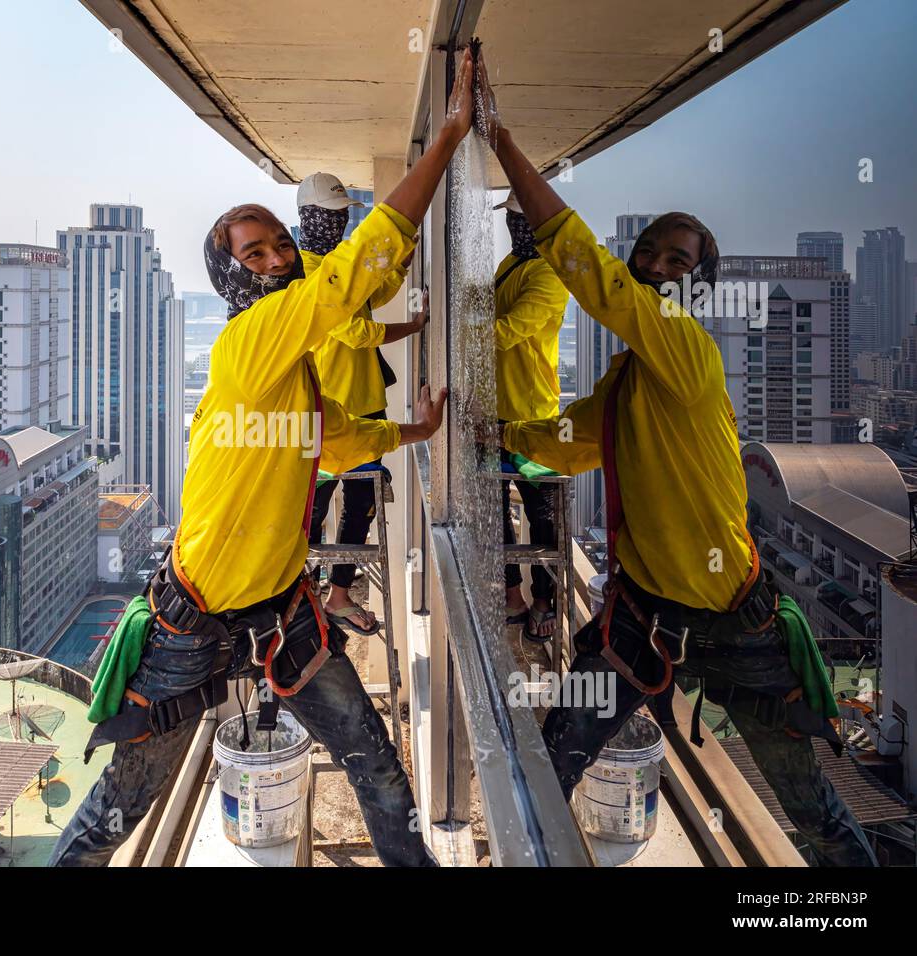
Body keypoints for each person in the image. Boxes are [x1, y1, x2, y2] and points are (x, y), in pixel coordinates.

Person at [48, 48, 480, 868]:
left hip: (280, 608)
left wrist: (407, 437)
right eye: (256, 254)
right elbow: (354, 278)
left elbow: (326, 439)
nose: (279, 259)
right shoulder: (253, 339)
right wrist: (447, 138)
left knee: (378, 767)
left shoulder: (288, 362)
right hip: (195, 618)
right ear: (230, 277)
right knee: (121, 806)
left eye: (281, 244)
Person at [473, 52, 876, 866]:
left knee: (810, 808)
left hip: (732, 624)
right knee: (553, 756)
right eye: (650, 252)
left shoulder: (685, 348)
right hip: (641, 619)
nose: (656, 266)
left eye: (677, 262)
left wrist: (503, 143)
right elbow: (571, 442)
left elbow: (592, 279)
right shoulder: (631, 378)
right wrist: (486, 439)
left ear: (696, 289)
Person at [296, 171, 428, 635]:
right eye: (332, 215)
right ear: (309, 217)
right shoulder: (305, 272)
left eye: (343, 215)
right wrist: (411, 328)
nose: (339, 223)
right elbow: (355, 332)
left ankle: (338, 593)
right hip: (331, 405)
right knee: (313, 503)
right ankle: (303, 592)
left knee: (361, 500)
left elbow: (373, 296)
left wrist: (400, 266)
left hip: (366, 399)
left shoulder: (338, 261)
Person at [490, 189, 569, 640]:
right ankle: (511, 595)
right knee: (498, 509)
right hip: (498, 412)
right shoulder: (510, 266)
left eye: (519, 221)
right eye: (512, 221)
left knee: (542, 514)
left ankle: (544, 599)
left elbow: (509, 330)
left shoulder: (548, 275)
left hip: (535, 416)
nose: (513, 229)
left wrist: (453, 334)